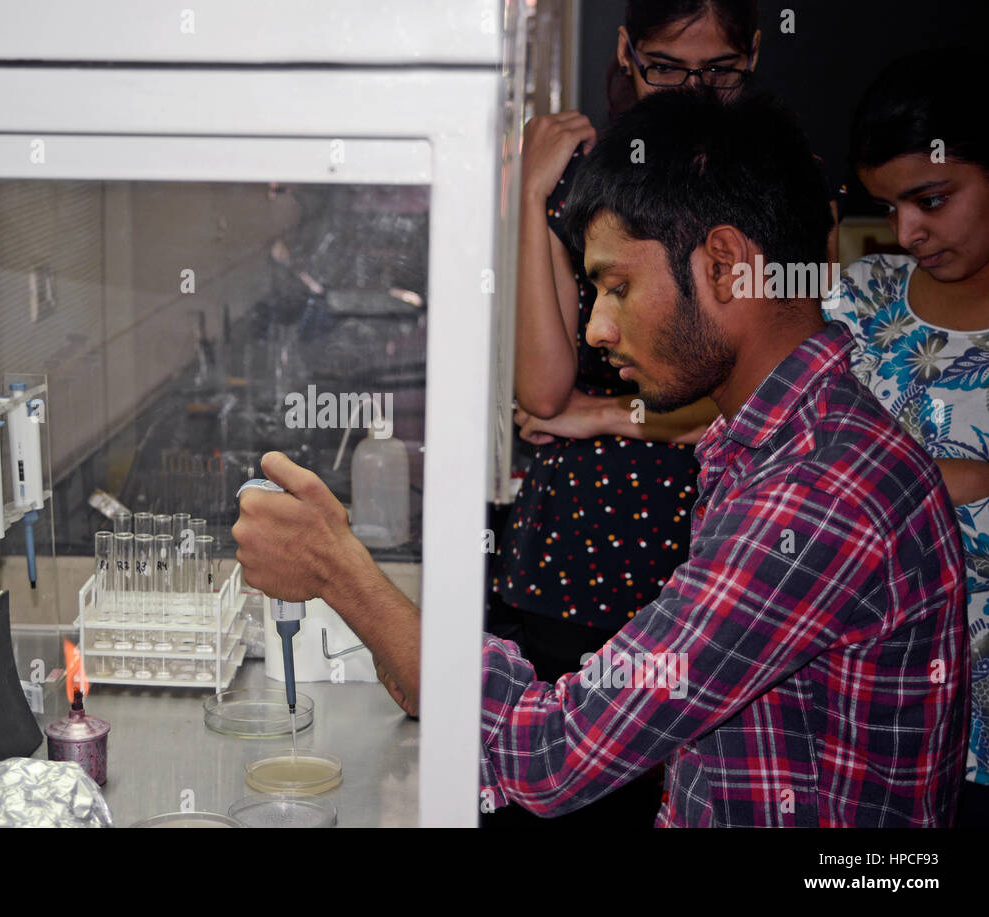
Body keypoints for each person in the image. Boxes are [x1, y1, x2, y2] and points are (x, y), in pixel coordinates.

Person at [233, 89, 969, 827]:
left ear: (723, 266)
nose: (598, 328)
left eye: (617, 286)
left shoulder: (814, 491)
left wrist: (337, 569)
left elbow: (551, 751)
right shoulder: (776, 445)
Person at [497, 0, 762, 827]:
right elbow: (542, 394)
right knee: (562, 785)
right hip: (573, 553)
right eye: (664, 67)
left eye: (717, 72)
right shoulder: (581, 173)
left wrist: (604, 414)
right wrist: (526, 193)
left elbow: (751, 393)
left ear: (754, 57)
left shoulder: (769, 188)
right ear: (623, 53)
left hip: (707, 544)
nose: (689, 91)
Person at [824, 49, 989, 827]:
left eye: (930, 199)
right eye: (890, 208)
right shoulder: (861, 298)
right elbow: (800, 453)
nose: (909, 231)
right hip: (875, 718)